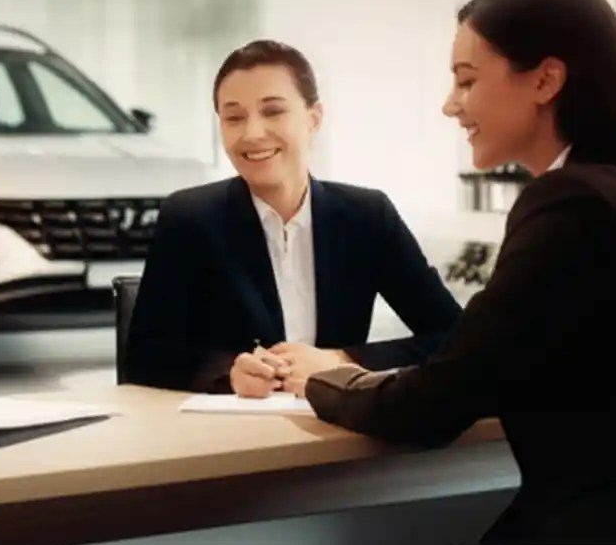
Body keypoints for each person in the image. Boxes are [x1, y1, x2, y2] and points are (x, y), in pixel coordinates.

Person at [302, 0, 616, 544]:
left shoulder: (574, 203)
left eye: (466, 81)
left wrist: (325, 378)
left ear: (545, 80)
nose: (449, 106)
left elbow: (437, 402)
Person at [124, 39, 462, 394]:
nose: (252, 134)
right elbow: (146, 356)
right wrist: (229, 373)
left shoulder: (366, 216)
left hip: (340, 430)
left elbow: (454, 336)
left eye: (273, 111)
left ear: (313, 119)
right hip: (231, 431)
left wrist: (341, 360)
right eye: (234, 117)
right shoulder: (190, 218)